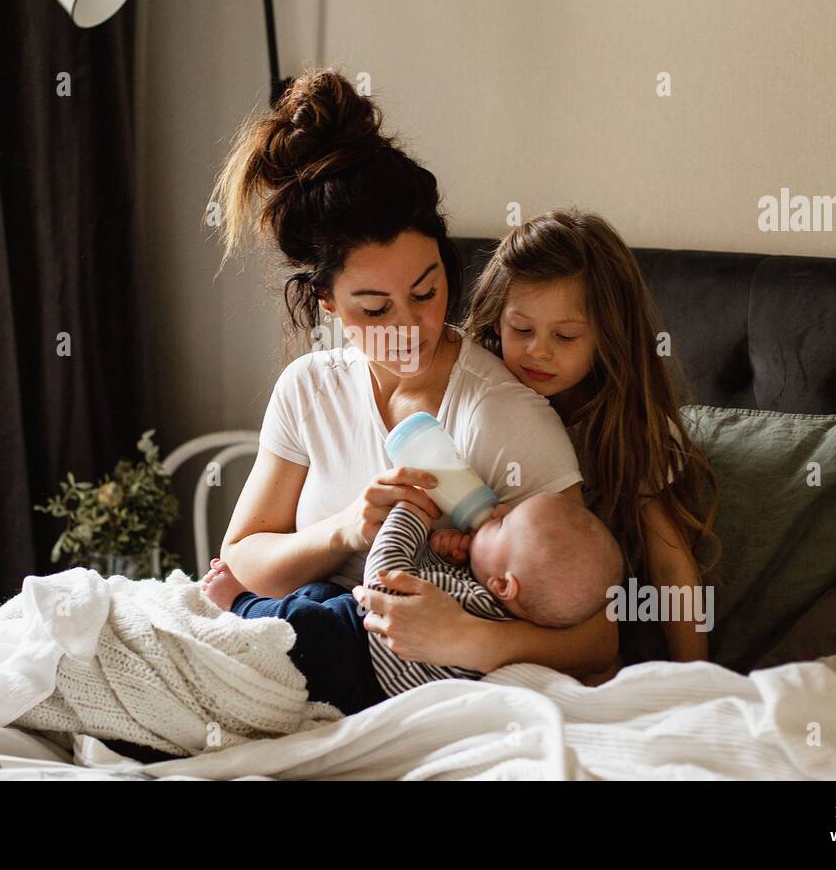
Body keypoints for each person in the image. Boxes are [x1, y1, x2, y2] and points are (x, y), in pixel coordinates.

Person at [209, 68, 620, 684]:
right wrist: (344, 530)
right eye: (374, 309)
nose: (410, 326)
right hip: (300, 650)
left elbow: (599, 637)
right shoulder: (307, 389)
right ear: (327, 302)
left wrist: (471, 638)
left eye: (426, 292)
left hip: (419, 679)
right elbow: (243, 558)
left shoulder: (502, 414)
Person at [460, 209, 722, 662]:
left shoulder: (629, 428)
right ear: (496, 319)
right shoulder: (477, 391)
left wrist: (695, 676)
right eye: (521, 329)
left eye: (565, 336)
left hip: (586, 636)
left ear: (609, 336)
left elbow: (670, 561)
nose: (537, 351)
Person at [201, 493, 624, 714]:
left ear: (503, 585)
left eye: (503, 523)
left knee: (306, 627)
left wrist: (411, 515)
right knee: (321, 597)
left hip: (361, 673)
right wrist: (448, 552)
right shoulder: (492, 600)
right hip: (361, 639)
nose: (498, 509)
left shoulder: (474, 605)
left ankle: (238, 602)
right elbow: (430, 580)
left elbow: (384, 578)